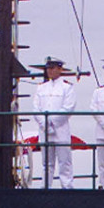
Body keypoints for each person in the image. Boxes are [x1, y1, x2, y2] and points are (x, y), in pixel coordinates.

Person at [34, 59, 78, 189]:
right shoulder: (41, 88)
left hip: (60, 129)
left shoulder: (67, 87)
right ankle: (45, 186)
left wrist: (51, 122)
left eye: (53, 68)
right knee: (46, 162)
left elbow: (68, 108)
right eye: (48, 68)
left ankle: (67, 186)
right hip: (44, 130)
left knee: (64, 161)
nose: (50, 71)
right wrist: (44, 123)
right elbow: (36, 108)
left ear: (60, 69)